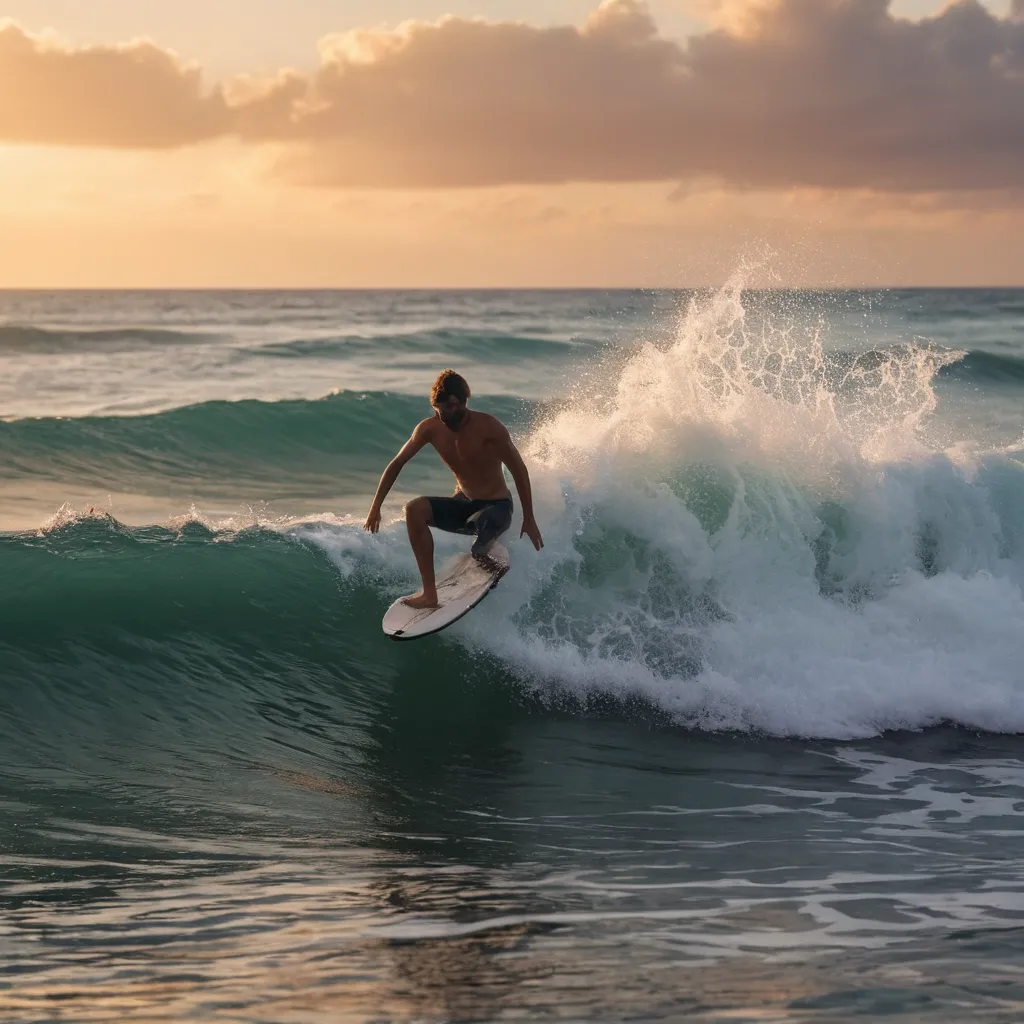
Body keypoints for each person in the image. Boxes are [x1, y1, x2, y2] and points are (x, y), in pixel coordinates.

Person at [364, 369, 544, 609]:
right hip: (464, 504)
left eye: (452, 406)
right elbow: (397, 463)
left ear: (464, 401)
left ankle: (494, 566)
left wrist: (529, 518)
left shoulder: (489, 427)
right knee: (414, 509)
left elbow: (520, 470)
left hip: (496, 506)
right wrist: (375, 507)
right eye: (441, 408)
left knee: (479, 551)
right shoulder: (430, 429)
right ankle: (430, 594)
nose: (446, 414)